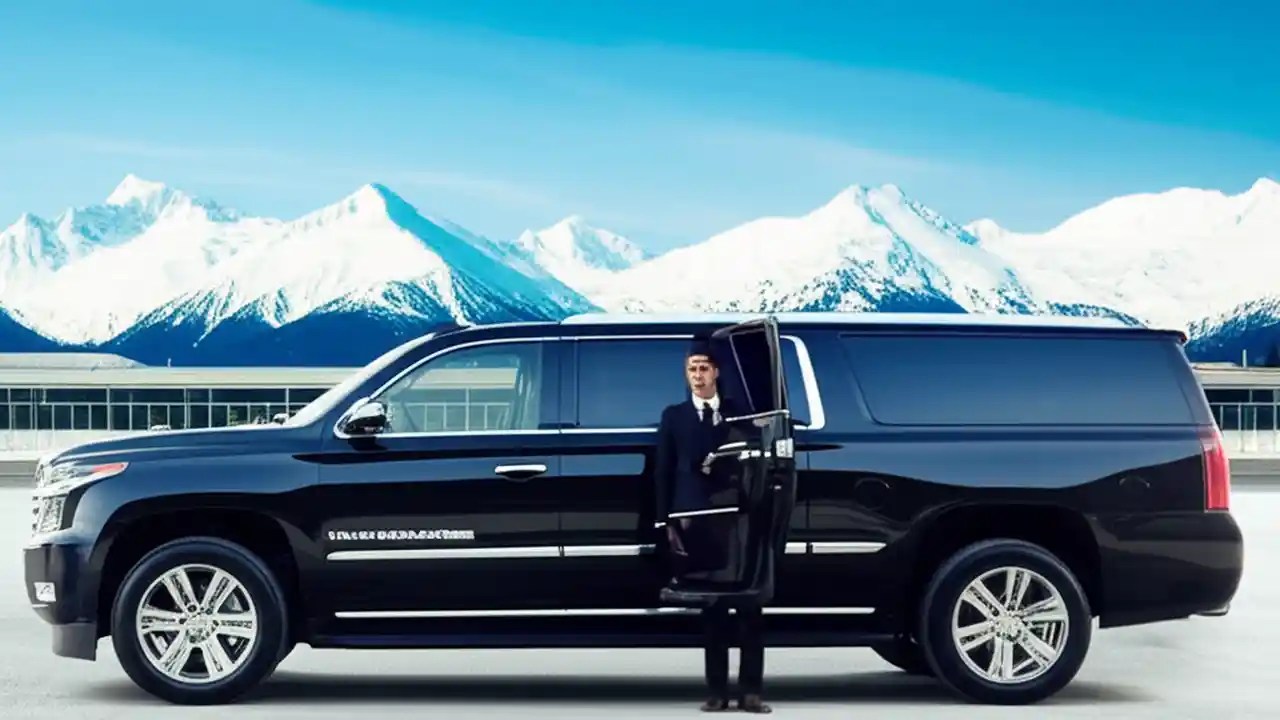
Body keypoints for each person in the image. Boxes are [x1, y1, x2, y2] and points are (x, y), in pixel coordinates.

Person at [653, 336, 771, 714]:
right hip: (699, 520)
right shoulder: (674, 416)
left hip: (739, 519)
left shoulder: (740, 413)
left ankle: (751, 692)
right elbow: (663, 471)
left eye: (704, 368)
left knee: (751, 606)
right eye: (692, 369)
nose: (698, 376)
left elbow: (757, 461)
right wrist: (664, 521)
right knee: (714, 609)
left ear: (716, 372)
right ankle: (717, 692)